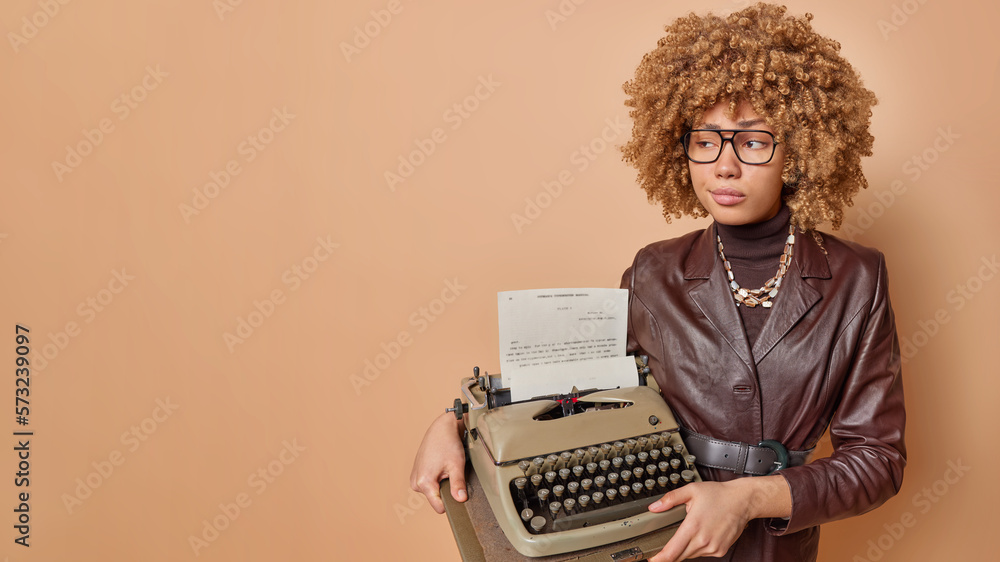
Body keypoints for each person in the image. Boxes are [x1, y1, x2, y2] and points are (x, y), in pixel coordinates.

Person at [411, 4, 905, 561]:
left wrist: (749, 498)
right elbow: (576, 392)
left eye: (754, 141)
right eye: (706, 140)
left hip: (776, 546)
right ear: (681, 147)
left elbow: (878, 459)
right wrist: (453, 422)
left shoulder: (858, 278)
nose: (724, 166)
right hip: (652, 529)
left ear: (800, 151)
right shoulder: (651, 271)